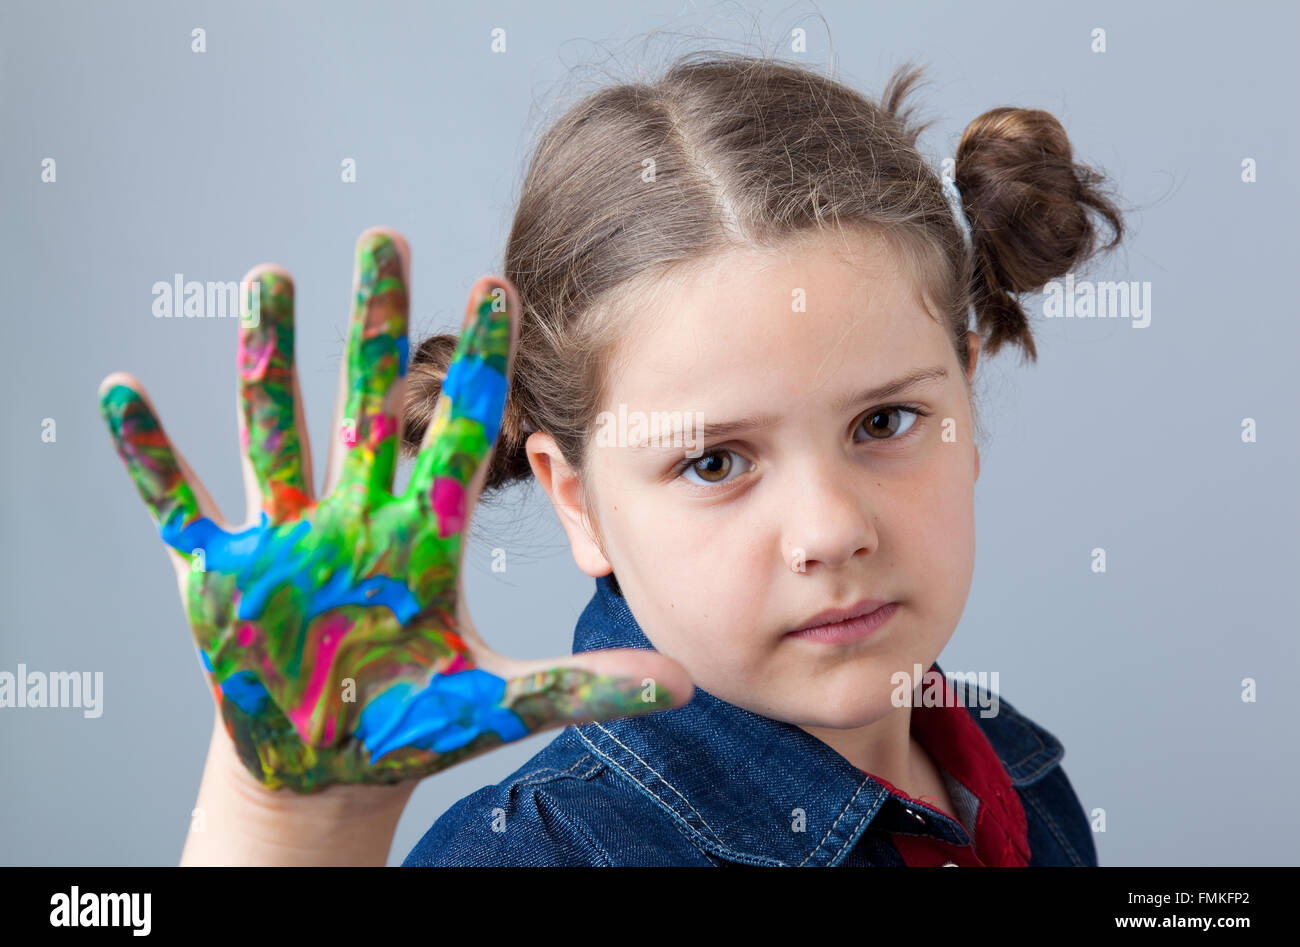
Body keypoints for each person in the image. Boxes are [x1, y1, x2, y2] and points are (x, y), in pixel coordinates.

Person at [99, 49, 1122, 867]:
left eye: (884, 423)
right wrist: (286, 830)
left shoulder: (1010, 767)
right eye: (715, 462)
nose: (830, 529)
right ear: (575, 500)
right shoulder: (543, 853)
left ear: (967, 390)